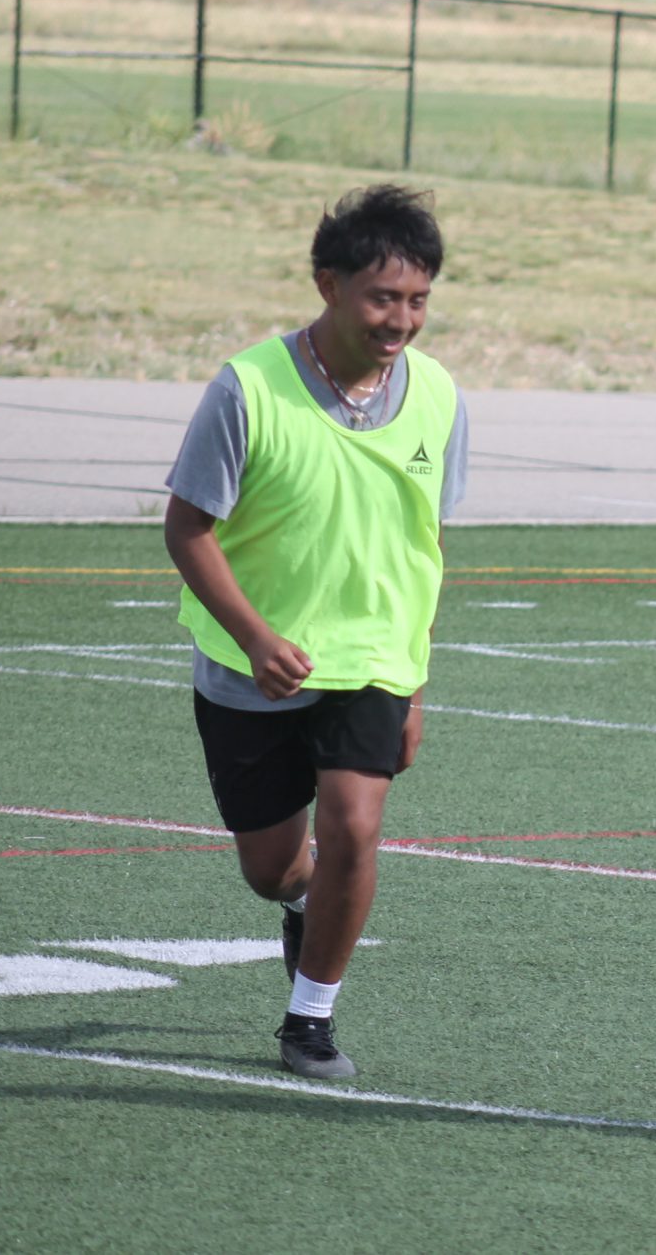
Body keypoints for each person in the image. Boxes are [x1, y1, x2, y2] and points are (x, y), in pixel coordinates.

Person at [163, 186, 469, 1078]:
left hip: (373, 657)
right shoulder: (248, 388)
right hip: (250, 667)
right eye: (382, 298)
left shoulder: (440, 396)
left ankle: (310, 1018)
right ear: (328, 285)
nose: (400, 320)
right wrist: (257, 639)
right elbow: (187, 528)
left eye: (418, 300)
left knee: (354, 824)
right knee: (272, 868)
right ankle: (302, 904)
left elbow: (425, 550)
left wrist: (413, 687)